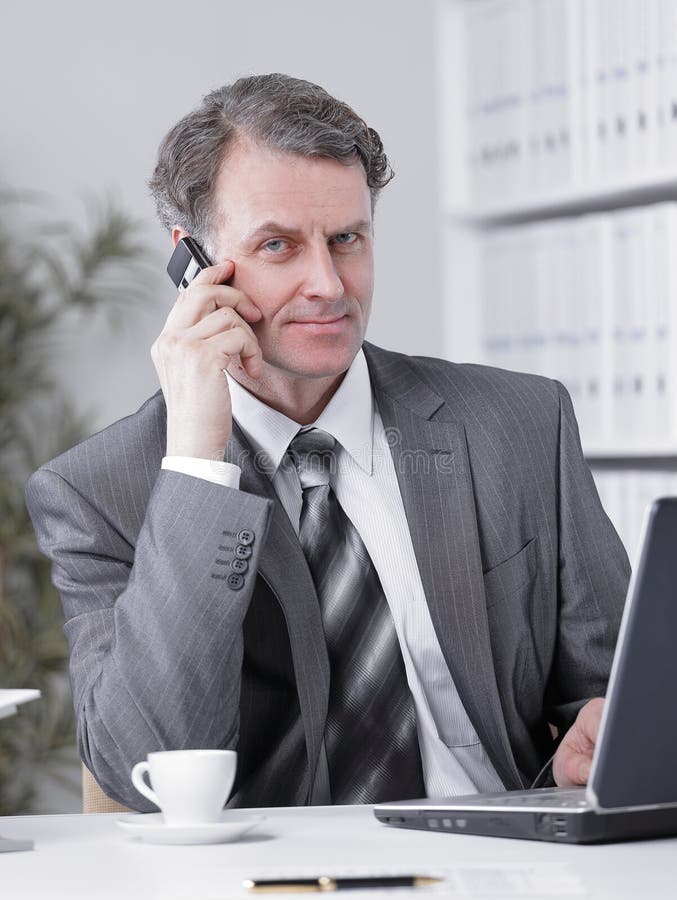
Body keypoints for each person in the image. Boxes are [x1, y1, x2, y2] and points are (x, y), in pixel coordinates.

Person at [26, 73, 630, 811]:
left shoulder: (519, 423)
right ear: (192, 263)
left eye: (346, 239)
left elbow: (613, 692)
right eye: (277, 245)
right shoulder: (99, 491)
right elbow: (147, 773)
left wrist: (600, 739)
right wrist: (194, 461)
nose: (327, 284)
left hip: (504, 864)